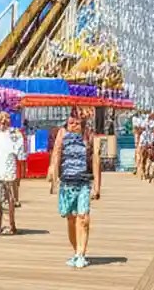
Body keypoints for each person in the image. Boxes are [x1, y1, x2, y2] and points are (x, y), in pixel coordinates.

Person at [49, 112, 101, 268]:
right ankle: (76, 251)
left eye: (77, 122)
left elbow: (96, 161)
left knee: (83, 218)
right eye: (71, 122)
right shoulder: (61, 135)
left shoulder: (89, 137)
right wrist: (54, 179)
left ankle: (81, 253)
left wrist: (97, 186)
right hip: (66, 183)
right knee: (71, 219)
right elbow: (56, 155)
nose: (74, 125)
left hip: (84, 182)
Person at [0, 110, 23, 235]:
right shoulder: (15, 136)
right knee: (7, 201)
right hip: (7, 172)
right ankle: (8, 226)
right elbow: (21, 155)